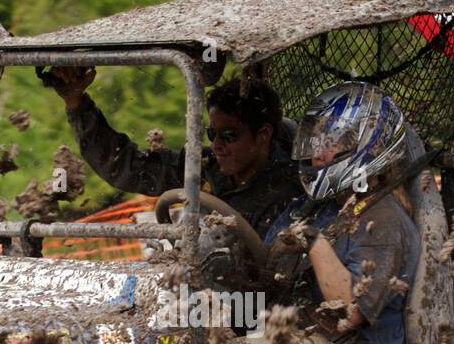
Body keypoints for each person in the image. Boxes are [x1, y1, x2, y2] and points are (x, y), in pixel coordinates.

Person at [209, 82, 423, 344]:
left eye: (331, 142)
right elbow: (266, 265)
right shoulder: (330, 207)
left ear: (365, 147)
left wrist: (312, 241)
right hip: (317, 341)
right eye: (317, 139)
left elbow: (348, 313)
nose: (317, 151)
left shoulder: (385, 219)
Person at [43, 66, 298, 236]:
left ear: (263, 135)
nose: (217, 145)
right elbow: (128, 167)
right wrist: (76, 103)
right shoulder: (204, 167)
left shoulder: (292, 190)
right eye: (212, 134)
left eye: (230, 136)